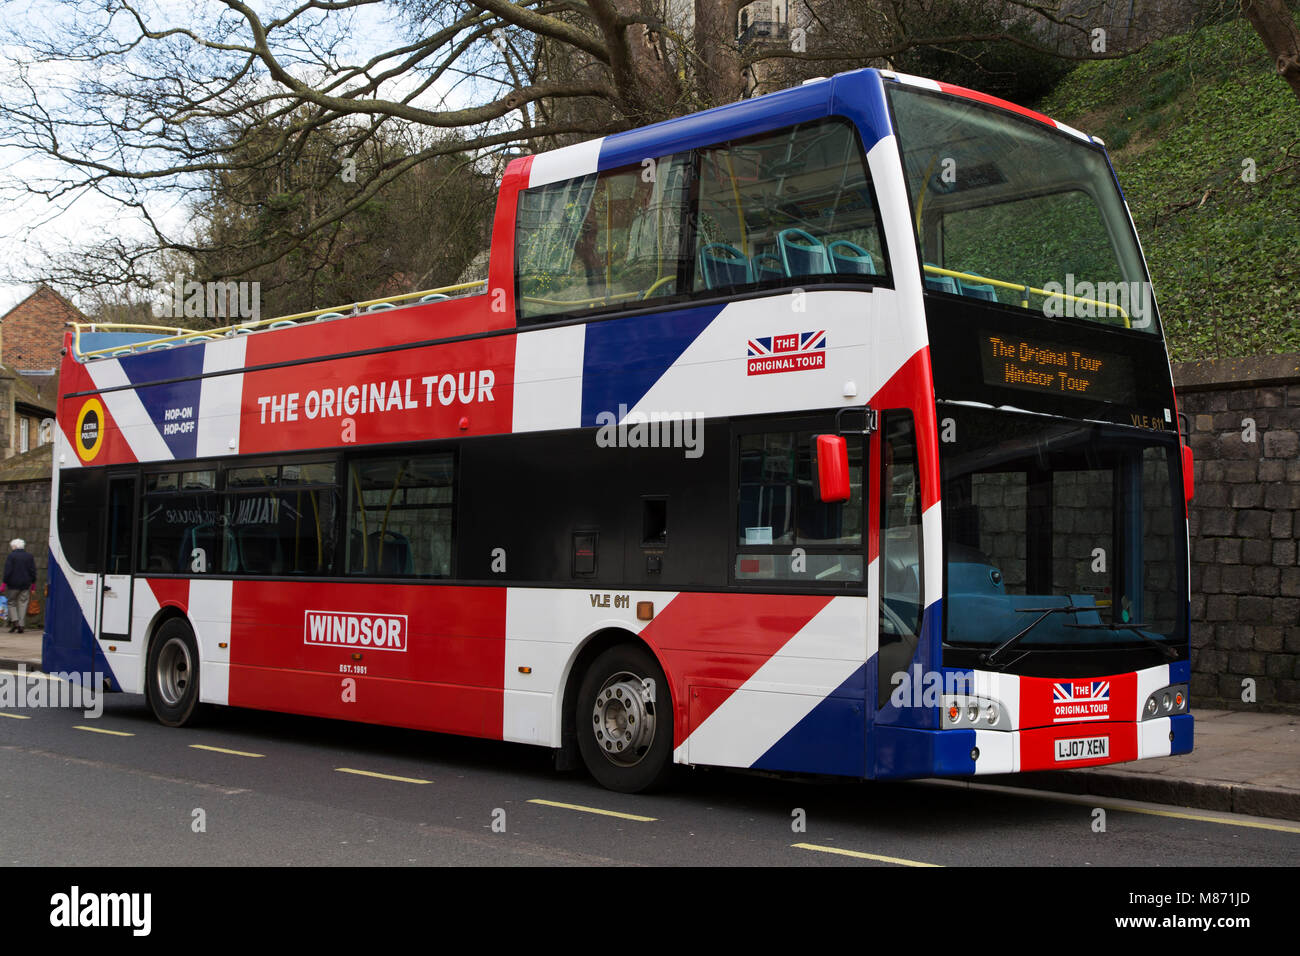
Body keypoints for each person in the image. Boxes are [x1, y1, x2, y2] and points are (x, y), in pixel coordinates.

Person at [3, 539, 37, 633]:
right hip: (25, 584)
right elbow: (33, 571)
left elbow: (7, 571)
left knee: (11, 602)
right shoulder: (29, 557)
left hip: (13, 584)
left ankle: (15, 621)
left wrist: (4, 583)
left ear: (14, 546)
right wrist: (33, 583)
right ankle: (21, 625)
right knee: (23, 603)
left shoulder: (11, 556)